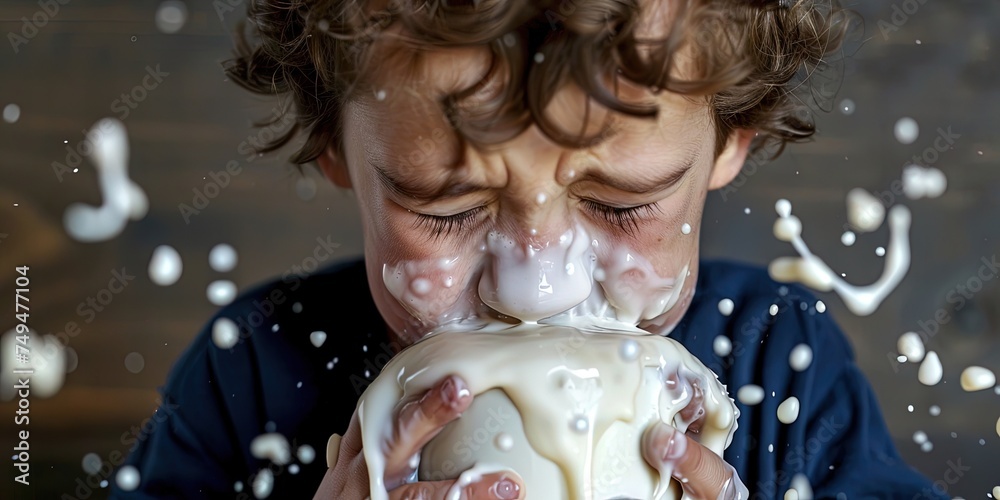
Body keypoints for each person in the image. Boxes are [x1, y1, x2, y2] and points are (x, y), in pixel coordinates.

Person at [111, 0, 945, 498]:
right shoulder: (250, 372)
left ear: (732, 140)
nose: (536, 287)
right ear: (333, 144)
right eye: (448, 209)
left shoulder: (780, 360)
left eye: (622, 206)